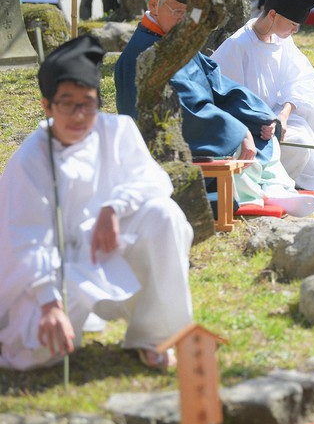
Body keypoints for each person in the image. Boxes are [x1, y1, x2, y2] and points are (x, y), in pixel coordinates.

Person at [0, 35, 193, 371]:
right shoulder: (30, 159)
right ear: (47, 106)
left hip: (112, 246)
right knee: (33, 355)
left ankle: (153, 335)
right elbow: (24, 239)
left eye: (87, 103)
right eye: (67, 103)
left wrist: (113, 207)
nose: (78, 115)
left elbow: (155, 181)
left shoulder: (117, 130)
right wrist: (48, 303)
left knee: (164, 214)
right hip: (55, 268)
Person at [115, 0, 314, 216]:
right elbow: (187, 108)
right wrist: (237, 130)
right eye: (178, 12)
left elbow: (219, 82)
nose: (185, 21)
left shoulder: (176, 39)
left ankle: (278, 189)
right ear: (154, 4)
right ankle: (258, 194)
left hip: (203, 121)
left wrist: (259, 114)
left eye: (190, 14)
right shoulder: (146, 50)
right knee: (243, 148)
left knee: (262, 131)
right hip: (175, 137)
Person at [212, 0, 314, 193]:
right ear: (272, 14)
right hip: (248, 128)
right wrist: (258, 122)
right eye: (291, 24)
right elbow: (224, 98)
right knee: (295, 145)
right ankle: (265, 183)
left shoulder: (282, 42)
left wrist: (284, 114)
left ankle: (281, 181)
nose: (295, 30)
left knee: (304, 133)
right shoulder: (237, 45)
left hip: (276, 120)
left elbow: (299, 81)